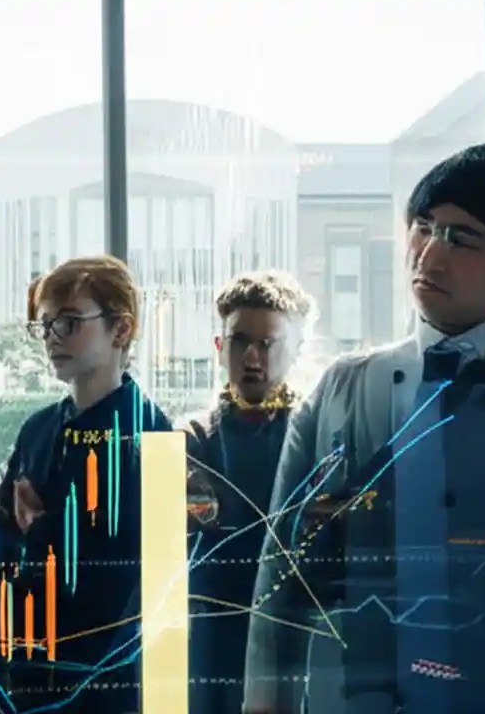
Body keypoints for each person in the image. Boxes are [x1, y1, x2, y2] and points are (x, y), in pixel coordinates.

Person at [244, 144, 485, 714]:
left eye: (461, 238)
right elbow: (278, 573)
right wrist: (264, 702)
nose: (428, 254)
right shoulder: (344, 388)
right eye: (423, 228)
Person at [0, 256, 172, 714]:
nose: (51, 338)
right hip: (25, 672)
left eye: (68, 322)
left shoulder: (153, 435)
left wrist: (41, 533)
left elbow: (130, 579)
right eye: (45, 325)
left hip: (105, 684)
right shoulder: (38, 429)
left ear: (120, 330)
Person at [179, 270, 314, 714]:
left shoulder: (313, 435)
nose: (252, 356)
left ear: (294, 350)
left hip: (295, 632)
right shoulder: (191, 438)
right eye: (240, 341)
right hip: (214, 640)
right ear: (221, 348)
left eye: (268, 343)